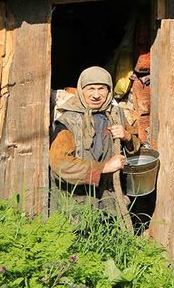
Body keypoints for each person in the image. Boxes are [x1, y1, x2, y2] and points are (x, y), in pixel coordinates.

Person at [49, 66, 138, 214]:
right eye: (91, 89)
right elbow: (60, 165)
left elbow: (137, 149)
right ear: (81, 90)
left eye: (101, 89)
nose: (96, 95)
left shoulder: (116, 115)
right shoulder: (68, 122)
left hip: (109, 203)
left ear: (109, 91)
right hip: (76, 205)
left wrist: (127, 137)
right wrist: (103, 168)